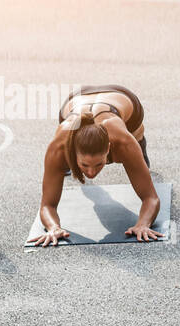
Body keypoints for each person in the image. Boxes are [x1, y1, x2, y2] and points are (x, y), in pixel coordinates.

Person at [29, 85, 160, 246]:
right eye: (84, 165)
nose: (91, 173)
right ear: (73, 152)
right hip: (77, 99)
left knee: (136, 147)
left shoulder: (123, 142)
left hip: (122, 99)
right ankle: (71, 164)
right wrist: (53, 227)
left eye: (99, 164)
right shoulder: (59, 146)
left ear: (109, 149)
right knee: (59, 165)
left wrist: (143, 224)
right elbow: (47, 205)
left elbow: (151, 198)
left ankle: (139, 144)